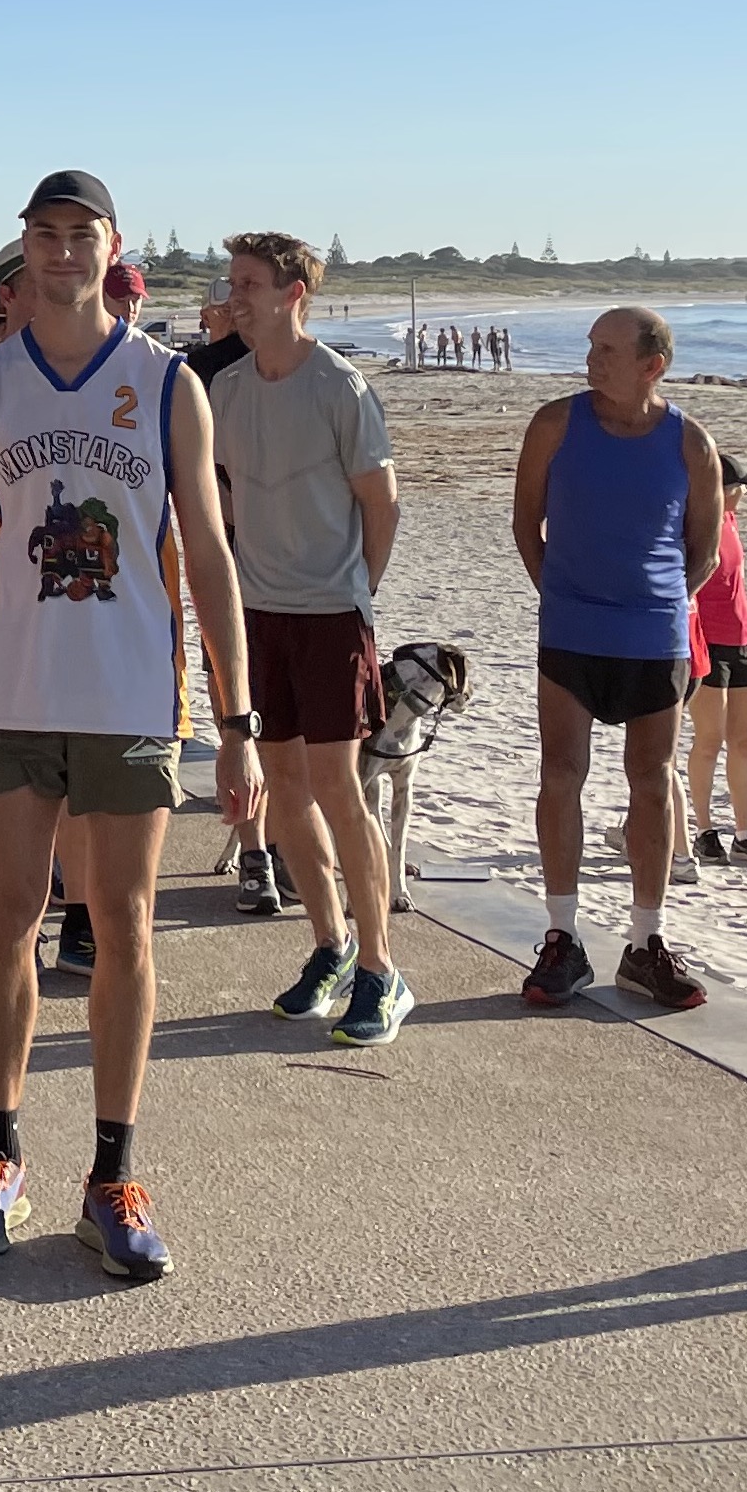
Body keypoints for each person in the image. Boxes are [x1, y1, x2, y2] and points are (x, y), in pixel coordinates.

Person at [0, 174, 258, 1282]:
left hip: (132, 698)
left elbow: (208, 555)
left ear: (112, 247)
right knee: (6, 918)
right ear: (21, 252)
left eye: (80, 235)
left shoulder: (164, 385)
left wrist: (238, 721)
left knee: (124, 925)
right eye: (43, 236)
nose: (61, 253)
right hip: (10, 693)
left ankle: (113, 1170)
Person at [206, 233, 413, 1046]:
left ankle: (381, 970)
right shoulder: (223, 387)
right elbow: (219, 493)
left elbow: (381, 502)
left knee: (337, 784)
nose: (235, 297)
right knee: (281, 784)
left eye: (250, 284)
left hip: (331, 611)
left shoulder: (340, 386)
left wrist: (356, 592)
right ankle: (330, 943)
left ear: (294, 293)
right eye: (232, 284)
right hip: (255, 613)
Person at [511, 306, 723, 1014]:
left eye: (607, 348)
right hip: (570, 631)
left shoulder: (689, 441)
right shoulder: (554, 422)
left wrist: (658, 602)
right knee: (561, 772)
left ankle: (645, 941)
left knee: (652, 782)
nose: (591, 358)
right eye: (591, 345)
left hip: (653, 639)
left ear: (650, 363)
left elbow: (704, 548)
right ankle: (561, 936)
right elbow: (525, 521)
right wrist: (561, 594)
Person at [686, 451, 747, 871]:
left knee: (743, 741)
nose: (744, 493)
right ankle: (705, 832)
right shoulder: (695, 525)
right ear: (722, 490)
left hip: (744, 639)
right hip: (708, 642)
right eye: (740, 487)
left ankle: (744, 834)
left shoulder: (730, 520)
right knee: (709, 740)